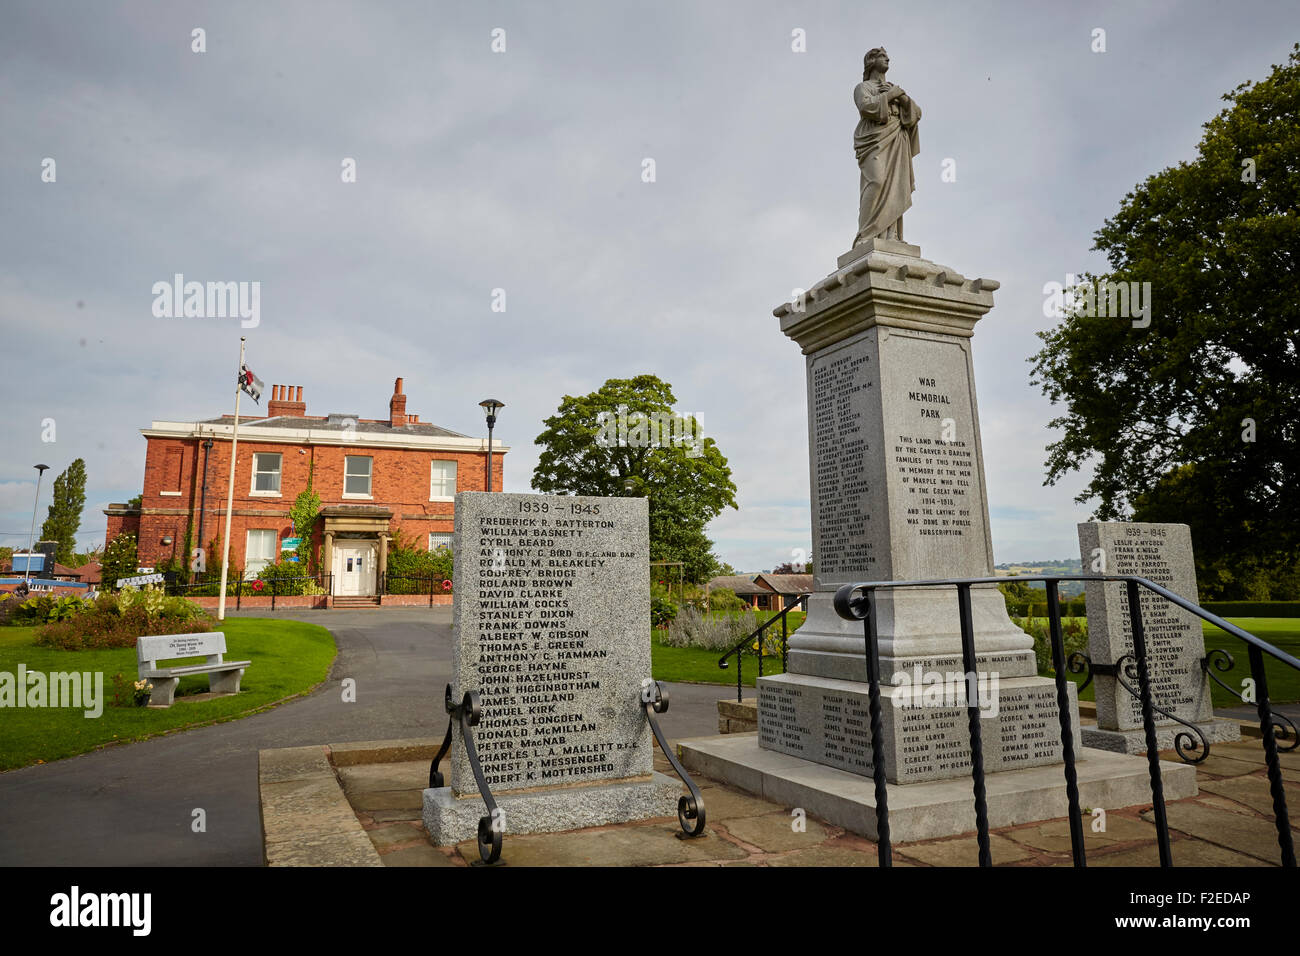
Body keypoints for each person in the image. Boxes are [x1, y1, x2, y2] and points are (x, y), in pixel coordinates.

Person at [853, 47, 921, 246]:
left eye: (888, 57)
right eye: (883, 56)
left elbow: (916, 113)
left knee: (896, 183)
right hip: (874, 139)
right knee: (876, 181)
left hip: (897, 138)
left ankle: (892, 236)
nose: (888, 59)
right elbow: (866, 107)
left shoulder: (895, 88)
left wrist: (902, 98)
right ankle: (865, 236)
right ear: (871, 61)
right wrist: (889, 96)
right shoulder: (863, 87)